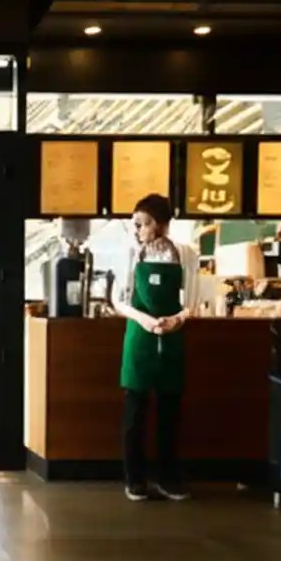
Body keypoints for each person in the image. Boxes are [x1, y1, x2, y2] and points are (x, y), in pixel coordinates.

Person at [114, 193, 191, 502]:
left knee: (170, 413)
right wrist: (144, 320)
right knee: (135, 411)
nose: (138, 230)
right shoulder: (131, 255)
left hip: (172, 339)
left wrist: (177, 320)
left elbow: (190, 302)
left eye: (144, 224)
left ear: (161, 225)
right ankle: (134, 479)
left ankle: (168, 478)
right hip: (140, 337)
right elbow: (118, 300)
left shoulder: (184, 254)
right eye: (136, 224)